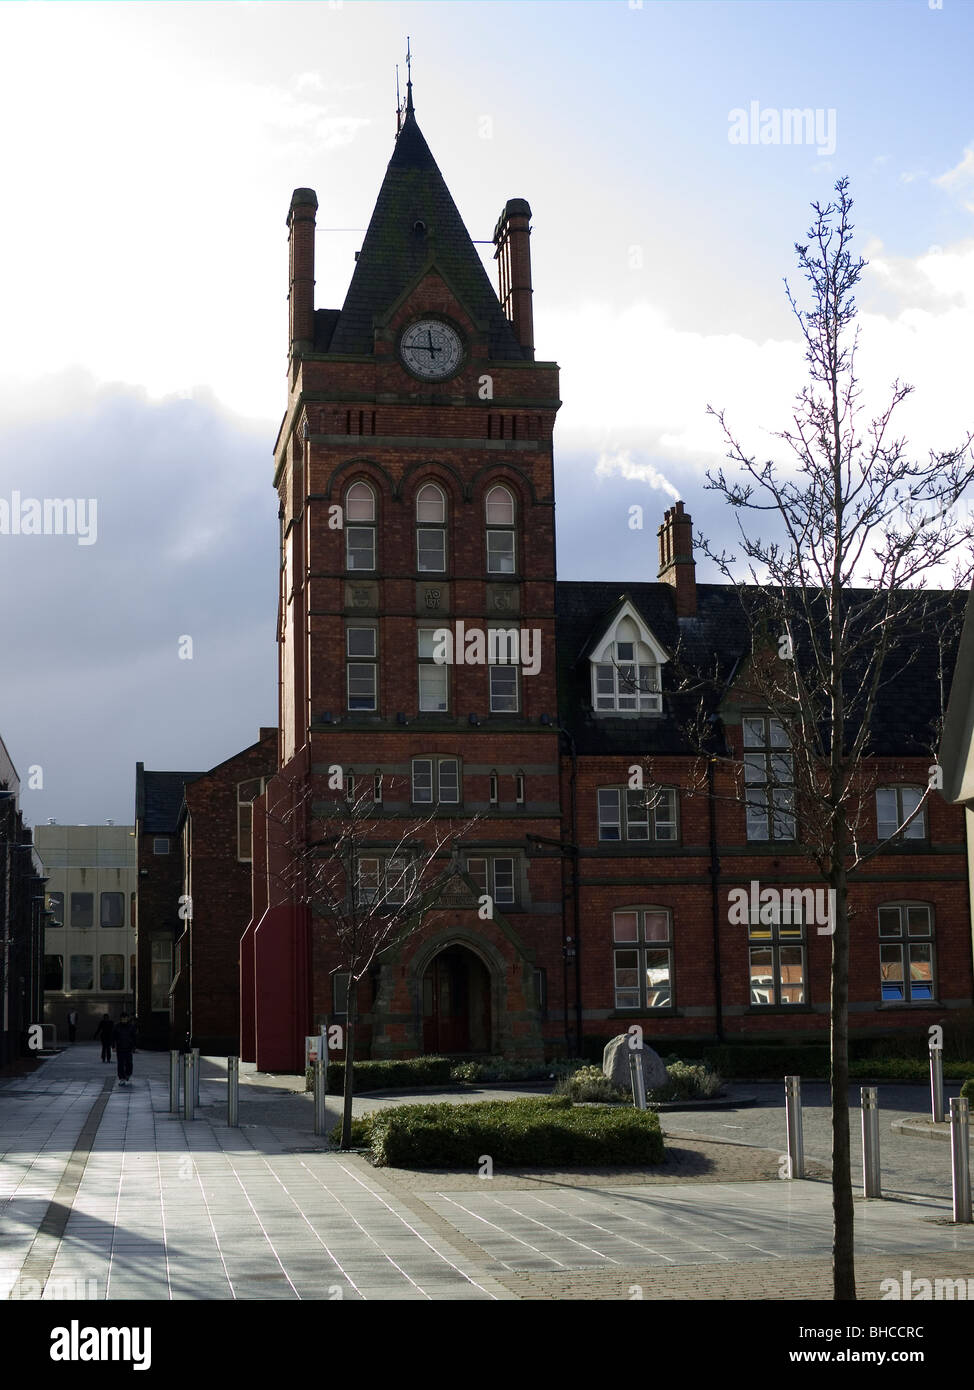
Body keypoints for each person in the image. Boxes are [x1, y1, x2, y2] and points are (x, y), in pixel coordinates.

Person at [112, 1013, 137, 1086]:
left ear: (127, 1018)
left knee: (129, 1063)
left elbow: (134, 1037)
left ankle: (128, 1074)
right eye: (123, 1018)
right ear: (120, 1019)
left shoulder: (131, 1027)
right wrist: (113, 1046)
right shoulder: (117, 1026)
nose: (124, 1020)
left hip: (129, 1047)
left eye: (125, 1018)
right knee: (121, 1064)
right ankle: (122, 1078)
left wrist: (134, 1046)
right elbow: (113, 1037)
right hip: (120, 1048)